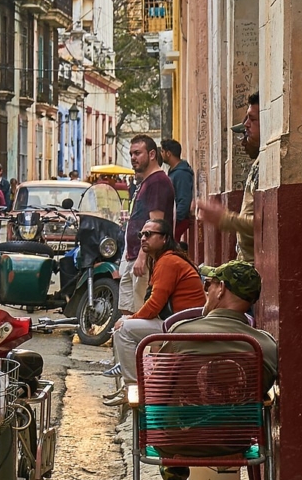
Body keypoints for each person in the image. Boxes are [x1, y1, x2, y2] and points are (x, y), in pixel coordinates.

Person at [150, 260, 277, 480]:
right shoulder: (264, 345)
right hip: (235, 443)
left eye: (210, 285)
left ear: (222, 290)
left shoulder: (182, 335)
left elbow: (157, 392)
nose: (206, 291)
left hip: (176, 443)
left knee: (173, 414)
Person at [105, 219, 205, 400]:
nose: (143, 238)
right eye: (141, 234)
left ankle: (134, 389)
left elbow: (154, 305)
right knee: (125, 325)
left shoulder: (168, 261)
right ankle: (134, 386)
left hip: (184, 326)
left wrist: (130, 319)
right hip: (177, 323)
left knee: (123, 330)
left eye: (149, 234)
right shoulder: (163, 259)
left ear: (165, 238)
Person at [196, 93, 259, 264]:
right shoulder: (258, 164)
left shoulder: (267, 165)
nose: (246, 125)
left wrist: (225, 219)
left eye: (252, 119)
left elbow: (265, 225)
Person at [120, 136, 176, 314]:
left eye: (137, 153)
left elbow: (156, 224)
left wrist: (142, 257)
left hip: (144, 258)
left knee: (141, 312)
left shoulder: (157, 182)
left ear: (152, 154)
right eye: (131, 154)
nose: (133, 158)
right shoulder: (147, 182)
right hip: (133, 255)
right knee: (127, 311)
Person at [159, 139, 195, 249]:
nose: (161, 154)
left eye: (162, 151)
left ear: (168, 153)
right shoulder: (174, 172)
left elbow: (184, 199)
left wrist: (176, 220)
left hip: (177, 221)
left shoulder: (181, 174)